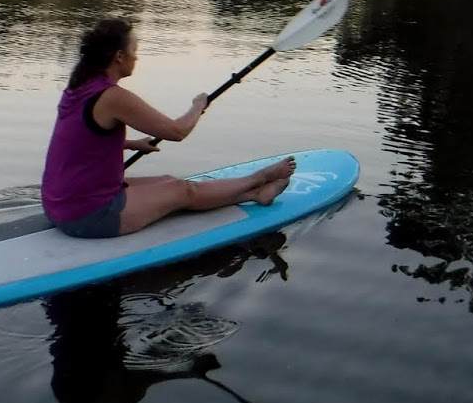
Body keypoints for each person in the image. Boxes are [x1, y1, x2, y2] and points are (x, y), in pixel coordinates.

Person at [41, 17, 295, 239]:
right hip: (88, 216)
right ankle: (258, 178)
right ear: (119, 56)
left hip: (60, 204)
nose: (137, 57)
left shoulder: (80, 87)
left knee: (168, 182)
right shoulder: (113, 96)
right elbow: (177, 132)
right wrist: (198, 106)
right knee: (181, 190)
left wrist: (130, 144)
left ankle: (254, 195)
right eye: (134, 50)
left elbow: (80, 141)